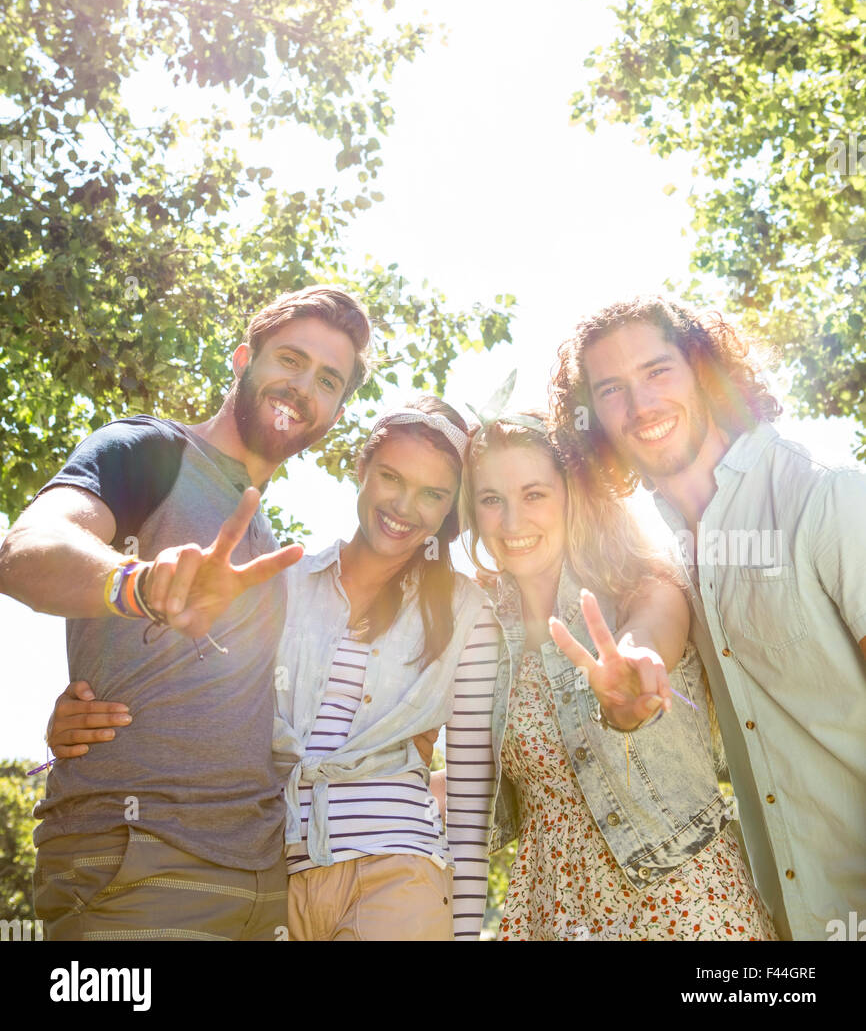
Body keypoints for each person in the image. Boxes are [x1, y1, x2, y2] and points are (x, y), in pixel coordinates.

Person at [48, 396, 497, 941]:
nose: (404, 506)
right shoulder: (281, 583)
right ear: (362, 469)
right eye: (391, 477)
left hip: (397, 869)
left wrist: (469, 931)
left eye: (433, 494)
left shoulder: (470, 615)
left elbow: (474, 790)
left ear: (451, 508)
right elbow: (196, 695)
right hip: (275, 878)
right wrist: (79, 718)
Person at [0, 284, 372, 941]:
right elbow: (26, 552)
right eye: (289, 359)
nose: (301, 387)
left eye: (327, 379)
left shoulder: (265, 546)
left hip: (262, 887)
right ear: (241, 360)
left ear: (336, 413)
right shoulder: (149, 452)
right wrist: (137, 585)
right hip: (141, 867)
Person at [548, 295, 866, 941]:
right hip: (786, 922)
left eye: (658, 371)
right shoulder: (659, 557)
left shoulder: (824, 493)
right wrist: (627, 697)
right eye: (611, 391)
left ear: (702, 369)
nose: (640, 407)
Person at [461, 410, 777, 941]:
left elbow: (647, 639)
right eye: (492, 500)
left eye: (534, 494)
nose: (511, 523)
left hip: (682, 909)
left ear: (572, 496)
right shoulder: (482, 630)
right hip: (551, 911)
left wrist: (634, 678)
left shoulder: (643, 586)